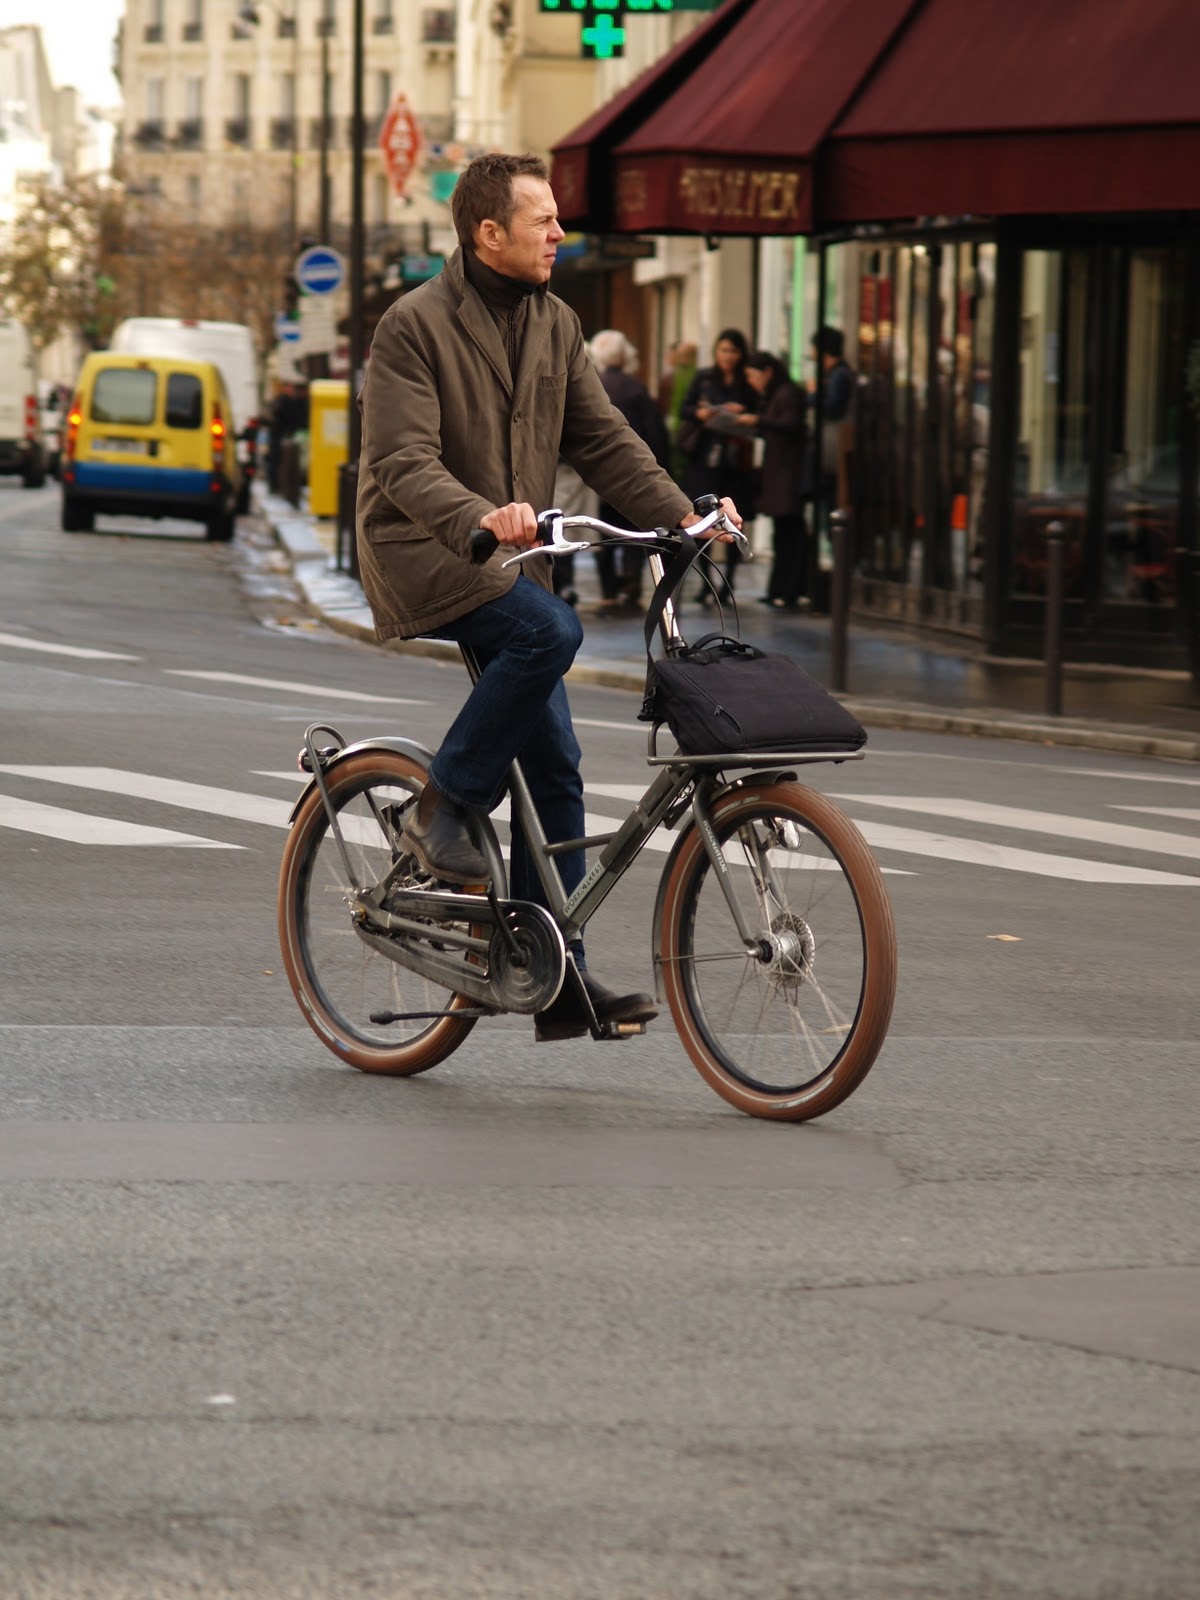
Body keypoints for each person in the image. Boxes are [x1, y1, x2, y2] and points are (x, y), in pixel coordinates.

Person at [355, 152, 741, 1041]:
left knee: (556, 765)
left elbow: (603, 439)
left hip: (508, 557)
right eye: (544, 221)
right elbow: (402, 463)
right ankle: (441, 805)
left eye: (559, 219)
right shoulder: (412, 325)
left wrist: (685, 516)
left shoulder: (555, 322)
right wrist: (482, 519)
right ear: (489, 233)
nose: (561, 234)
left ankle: (545, 966)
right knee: (548, 632)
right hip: (430, 547)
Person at [589, 328, 672, 611]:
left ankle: (609, 588)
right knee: (636, 531)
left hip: (598, 476)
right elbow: (654, 434)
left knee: (606, 533)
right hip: (632, 474)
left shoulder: (593, 386)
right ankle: (632, 585)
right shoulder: (636, 388)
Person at [678, 328, 758, 605]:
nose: (728, 356)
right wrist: (702, 413)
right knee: (702, 520)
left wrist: (742, 414)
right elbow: (685, 410)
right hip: (705, 458)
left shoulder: (746, 381)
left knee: (735, 520)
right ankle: (707, 582)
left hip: (735, 460)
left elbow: (759, 411)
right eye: (724, 350)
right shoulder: (704, 378)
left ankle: (730, 578)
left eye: (733, 351)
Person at [733, 351, 809, 609]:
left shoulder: (786, 393)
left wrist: (758, 419)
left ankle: (787, 589)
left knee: (789, 531)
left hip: (786, 472)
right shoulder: (778, 394)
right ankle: (780, 588)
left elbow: (789, 424)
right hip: (780, 471)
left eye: (754, 376)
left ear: (767, 372)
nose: (752, 382)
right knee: (784, 531)